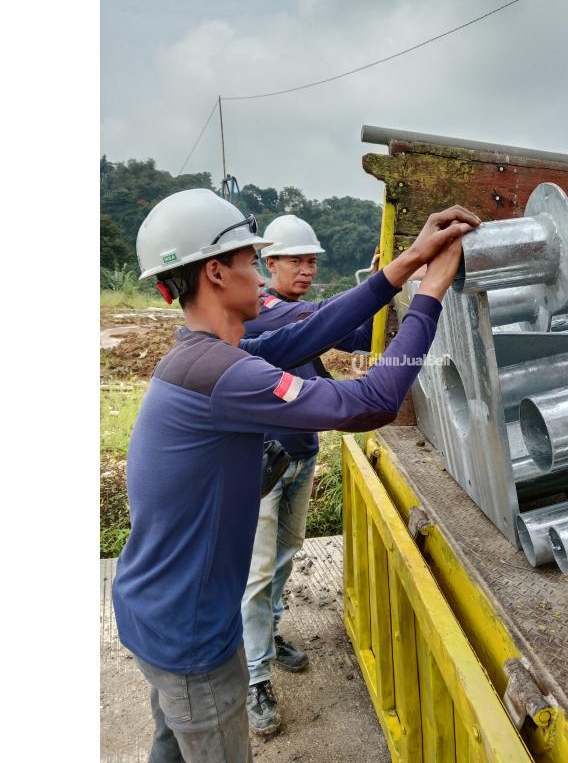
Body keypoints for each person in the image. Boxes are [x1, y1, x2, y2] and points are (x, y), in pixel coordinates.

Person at [111, 187, 480, 763]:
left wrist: (405, 264)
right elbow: (373, 402)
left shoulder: (197, 356)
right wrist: (430, 292)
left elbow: (309, 334)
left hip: (151, 609)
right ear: (215, 272)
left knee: (171, 745)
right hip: (190, 634)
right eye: (249, 261)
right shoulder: (226, 376)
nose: (259, 275)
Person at [239, 214, 377, 736]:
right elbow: (315, 324)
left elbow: (357, 330)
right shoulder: (260, 313)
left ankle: (268, 638)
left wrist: (381, 296)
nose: (305, 268)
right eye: (295, 259)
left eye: (311, 260)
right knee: (255, 572)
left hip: (301, 453)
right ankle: (253, 678)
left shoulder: (298, 313)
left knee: (286, 557)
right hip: (262, 462)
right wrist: (373, 289)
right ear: (267, 263)